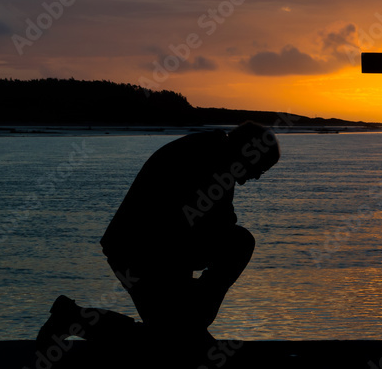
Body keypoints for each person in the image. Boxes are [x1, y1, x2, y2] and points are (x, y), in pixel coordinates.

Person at [36, 122, 280, 357]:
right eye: (260, 169)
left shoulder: (215, 153)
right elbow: (212, 226)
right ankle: (190, 323)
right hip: (142, 252)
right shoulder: (213, 159)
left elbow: (207, 225)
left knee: (171, 336)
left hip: (154, 249)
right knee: (240, 244)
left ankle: (73, 318)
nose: (256, 177)